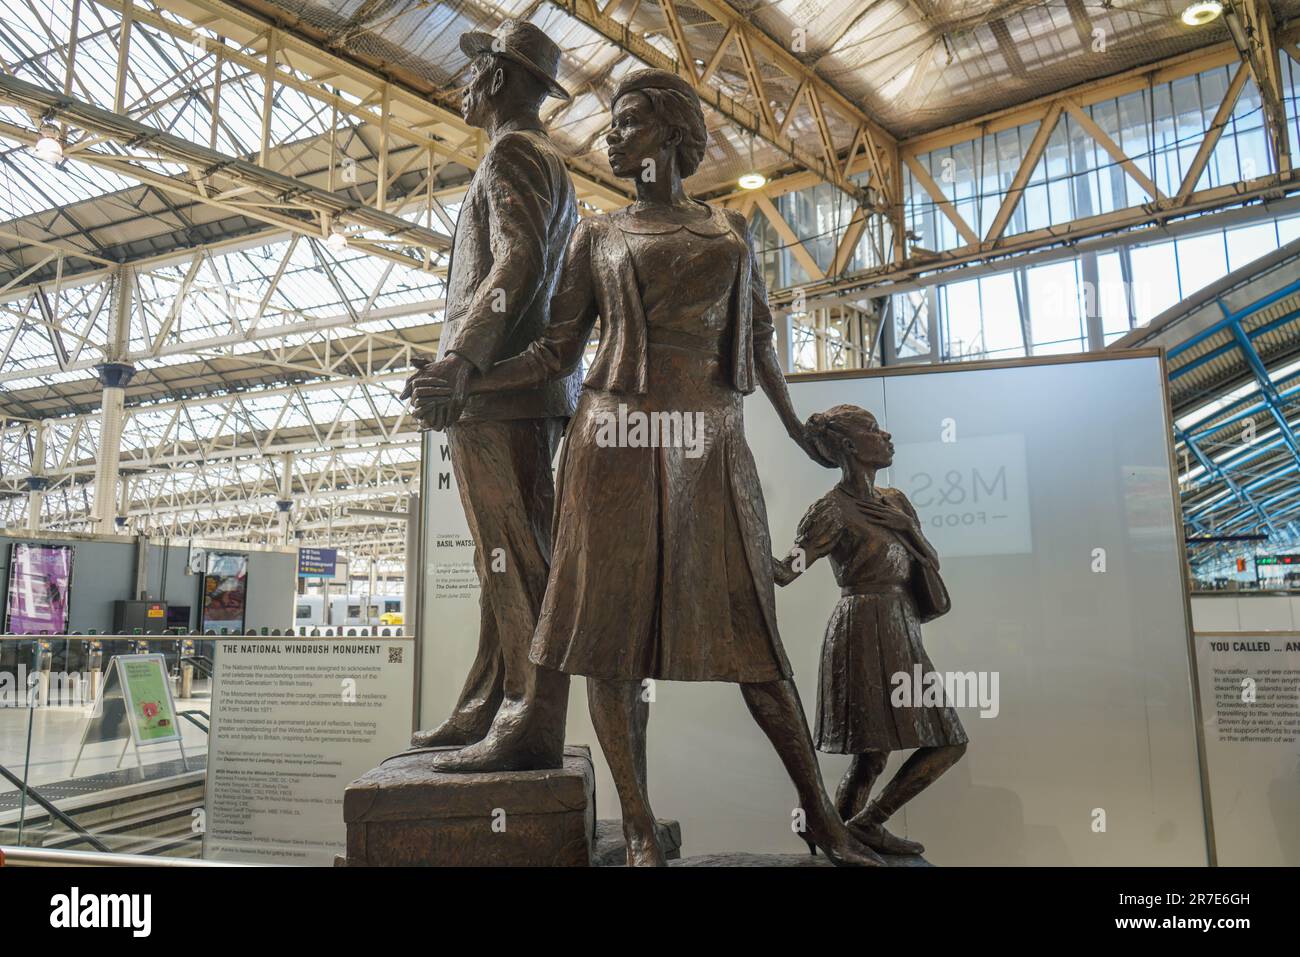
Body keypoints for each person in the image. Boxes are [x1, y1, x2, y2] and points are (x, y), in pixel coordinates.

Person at [412, 68, 882, 866]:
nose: (611, 136)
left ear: (671, 132)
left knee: (758, 647)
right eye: (613, 124)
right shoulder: (597, 235)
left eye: (627, 122)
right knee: (608, 643)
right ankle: (637, 827)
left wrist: (802, 431)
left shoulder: (730, 235)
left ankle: (825, 823)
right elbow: (556, 353)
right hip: (611, 448)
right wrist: (466, 375)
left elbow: (761, 342)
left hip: (712, 450)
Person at [400, 19, 580, 772]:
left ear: (501, 79)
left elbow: (519, 261)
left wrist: (463, 362)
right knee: (501, 560)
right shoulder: (543, 159)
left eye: (475, 72)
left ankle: (528, 718)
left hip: (499, 394)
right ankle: (489, 702)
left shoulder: (512, 151)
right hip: (524, 394)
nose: (463, 84)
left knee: (513, 558)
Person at [775, 404, 968, 856]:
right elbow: (789, 569)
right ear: (848, 446)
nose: (886, 436)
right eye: (872, 431)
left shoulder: (896, 502)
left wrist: (909, 531)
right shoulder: (831, 510)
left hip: (901, 623)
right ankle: (851, 831)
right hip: (861, 627)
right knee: (881, 750)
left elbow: (930, 560)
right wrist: (745, 544)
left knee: (918, 747)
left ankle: (850, 828)